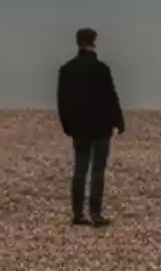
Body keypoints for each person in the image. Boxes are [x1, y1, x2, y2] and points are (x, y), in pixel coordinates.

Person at [57, 27, 125, 228]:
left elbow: (62, 101)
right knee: (97, 170)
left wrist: (66, 124)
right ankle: (95, 212)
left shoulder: (67, 69)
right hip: (101, 125)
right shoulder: (101, 69)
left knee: (80, 168)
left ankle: (78, 212)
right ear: (94, 42)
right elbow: (110, 97)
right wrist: (118, 120)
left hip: (79, 126)